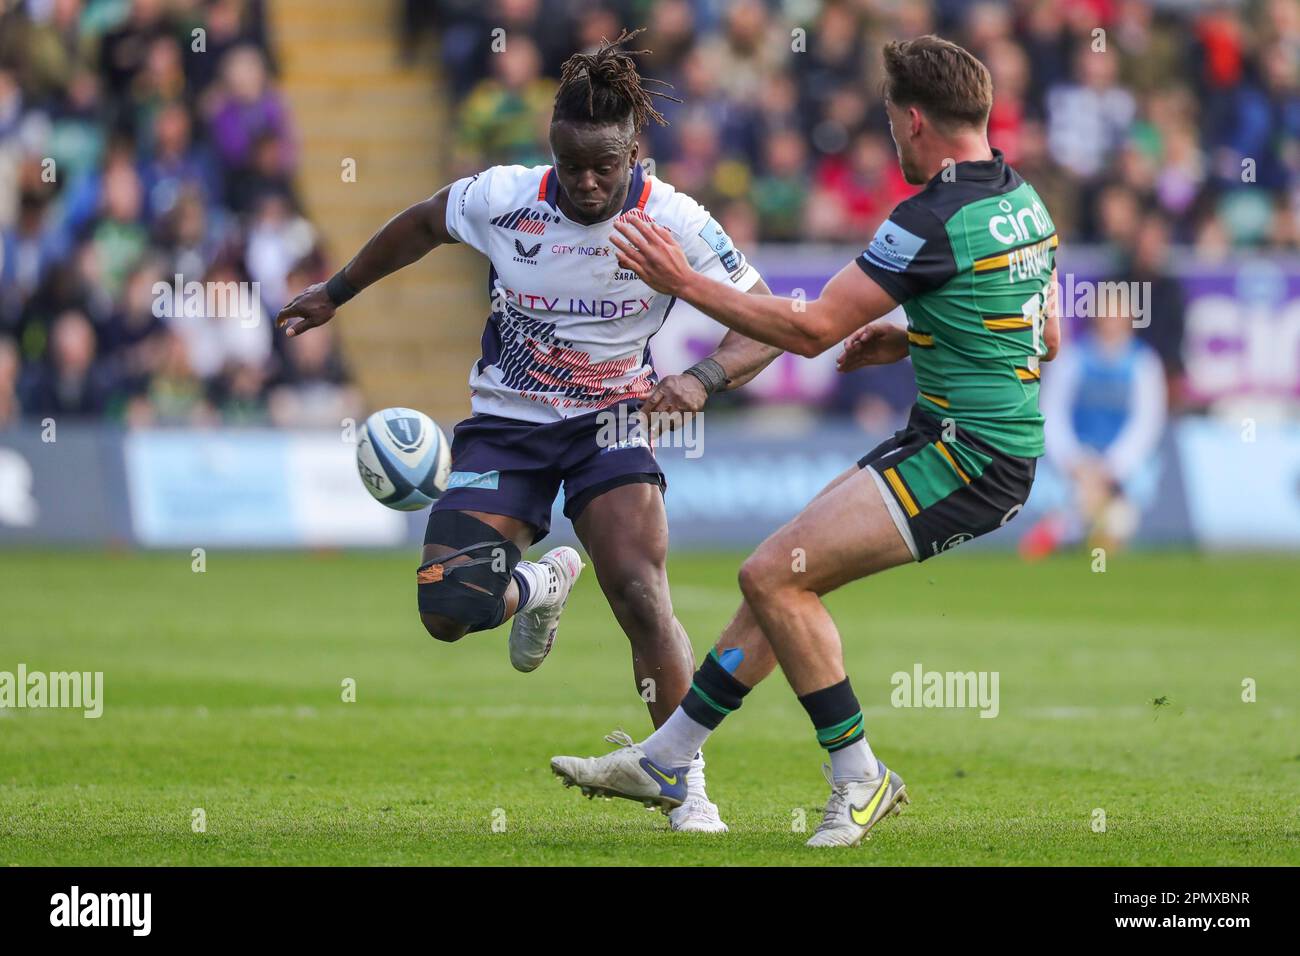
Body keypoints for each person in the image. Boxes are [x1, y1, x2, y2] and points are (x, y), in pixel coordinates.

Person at [550, 35, 1061, 848]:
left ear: (917, 119)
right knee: (776, 576)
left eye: (894, 123)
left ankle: (859, 775)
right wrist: (912, 336)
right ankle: (670, 756)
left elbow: (814, 329)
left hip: (966, 459)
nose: (891, 139)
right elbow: (1045, 337)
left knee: (775, 576)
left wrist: (683, 282)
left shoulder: (929, 218)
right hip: (965, 443)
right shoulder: (1021, 201)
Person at [274, 31, 781, 833]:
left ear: (632, 153)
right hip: (506, 424)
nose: (585, 182)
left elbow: (766, 320)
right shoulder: (505, 197)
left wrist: (702, 378)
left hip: (613, 421)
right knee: (447, 610)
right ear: (551, 145)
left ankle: (687, 783)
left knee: (643, 596)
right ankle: (542, 583)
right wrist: (337, 292)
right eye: (571, 163)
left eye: (602, 167)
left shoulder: (674, 219)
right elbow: (419, 225)